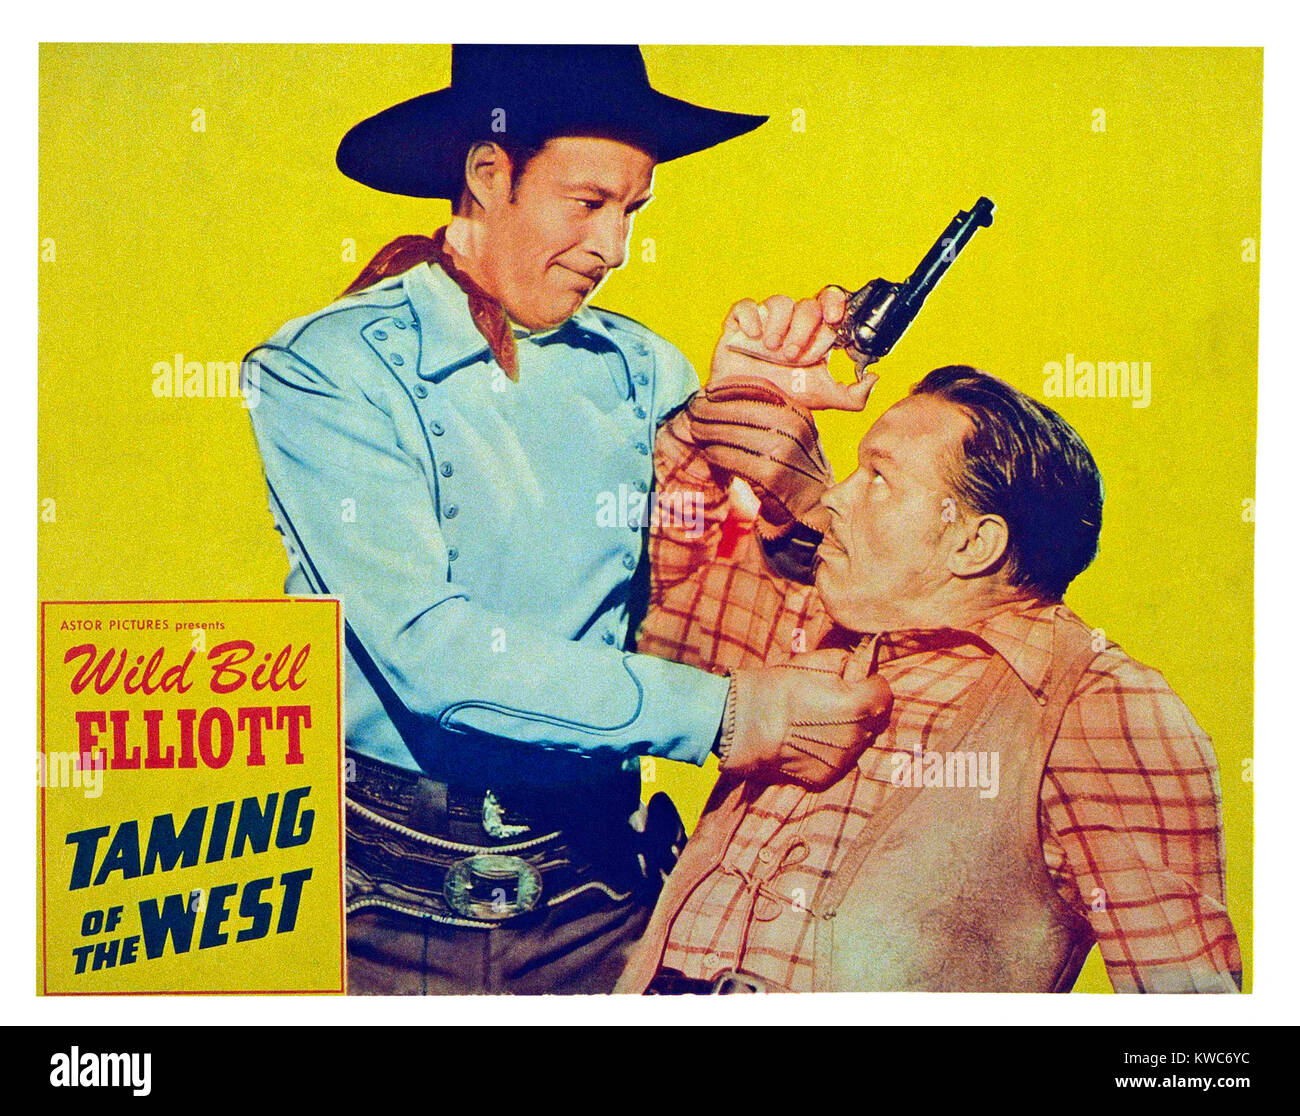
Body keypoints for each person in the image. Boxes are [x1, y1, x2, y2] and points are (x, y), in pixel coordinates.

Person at [241, 44, 890, 994]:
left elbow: (705, 617)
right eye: (588, 204)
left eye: (631, 212)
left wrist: (758, 448)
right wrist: (727, 718)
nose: (614, 248)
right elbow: (434, 658)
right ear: (488, 175)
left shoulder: (646, 372)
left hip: (602, 897)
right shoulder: (327, 371)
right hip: (375, 915)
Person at [616, 343, 1242, 993]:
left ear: (974, 543)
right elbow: (646, 593)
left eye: (878, 478)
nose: (833, 499)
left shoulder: (1096, 708)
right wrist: (721, 412)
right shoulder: (817, 620)